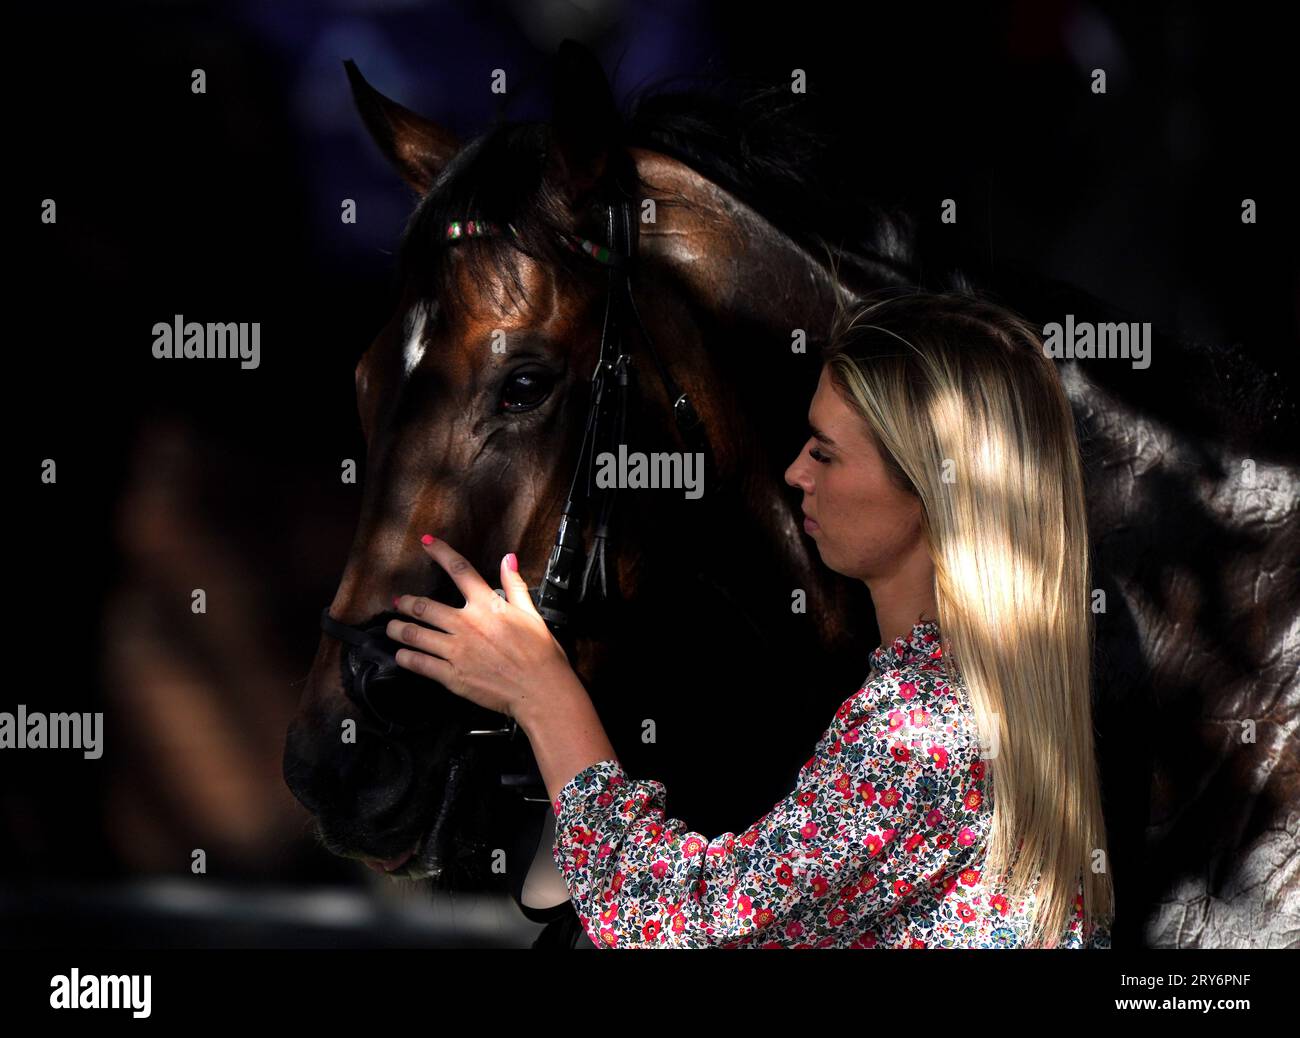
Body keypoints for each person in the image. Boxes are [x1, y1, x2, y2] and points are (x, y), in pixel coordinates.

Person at [387, 286, 1116, 949]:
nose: (797, 472)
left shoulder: (921, 730)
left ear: (932, 490)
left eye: (826, 454)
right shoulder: (985, 699)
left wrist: (543, 693)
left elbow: (682, 925)